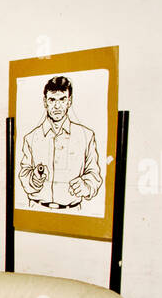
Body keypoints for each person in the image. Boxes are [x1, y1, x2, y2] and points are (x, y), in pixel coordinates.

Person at [18, 76, 102, 210]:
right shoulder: (31, 137)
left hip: (73, 212)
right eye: (52, 100)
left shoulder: (86, 135)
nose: (57, 106)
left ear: (69, 101)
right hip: (37, 210)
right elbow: (23, 173)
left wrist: (86, 185)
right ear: (45, 102)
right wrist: (34, 179)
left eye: (62, 99)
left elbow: (94, 174)